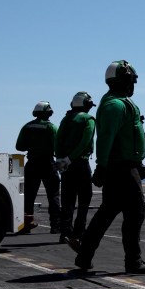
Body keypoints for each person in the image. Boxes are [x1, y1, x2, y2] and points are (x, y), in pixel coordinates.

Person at [70, 60, 145, 274]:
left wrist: (138, 163)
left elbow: (125, 137)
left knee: (107, 213)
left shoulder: (119, 103)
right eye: (131, 81)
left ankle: (84, 256)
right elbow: (106, 139)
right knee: (135, 214)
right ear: (123, 81)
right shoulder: (114, 105)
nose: (133, 85)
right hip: (121, 169)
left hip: (125, 166)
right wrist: (102, 167)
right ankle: (133, 261)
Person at [56, 91, 96, 243]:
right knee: (85, 198)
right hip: (81, 163)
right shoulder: (89, 119)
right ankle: (79, 231)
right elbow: (86, 141)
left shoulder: (66, 119)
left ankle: (65, 232)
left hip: (65, 165)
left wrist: (61, 159)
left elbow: (58, 140)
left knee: (67, 200)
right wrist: (72, 158)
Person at [16, 101, 61, 234]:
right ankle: (55, 226)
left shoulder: (27, 126)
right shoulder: (52, 128)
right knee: (53, 195)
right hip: (48, 164)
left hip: (32, 164)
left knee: (29, 196)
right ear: (49, 113)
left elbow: (19, 146)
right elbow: (57, 147)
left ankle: (26, 225)